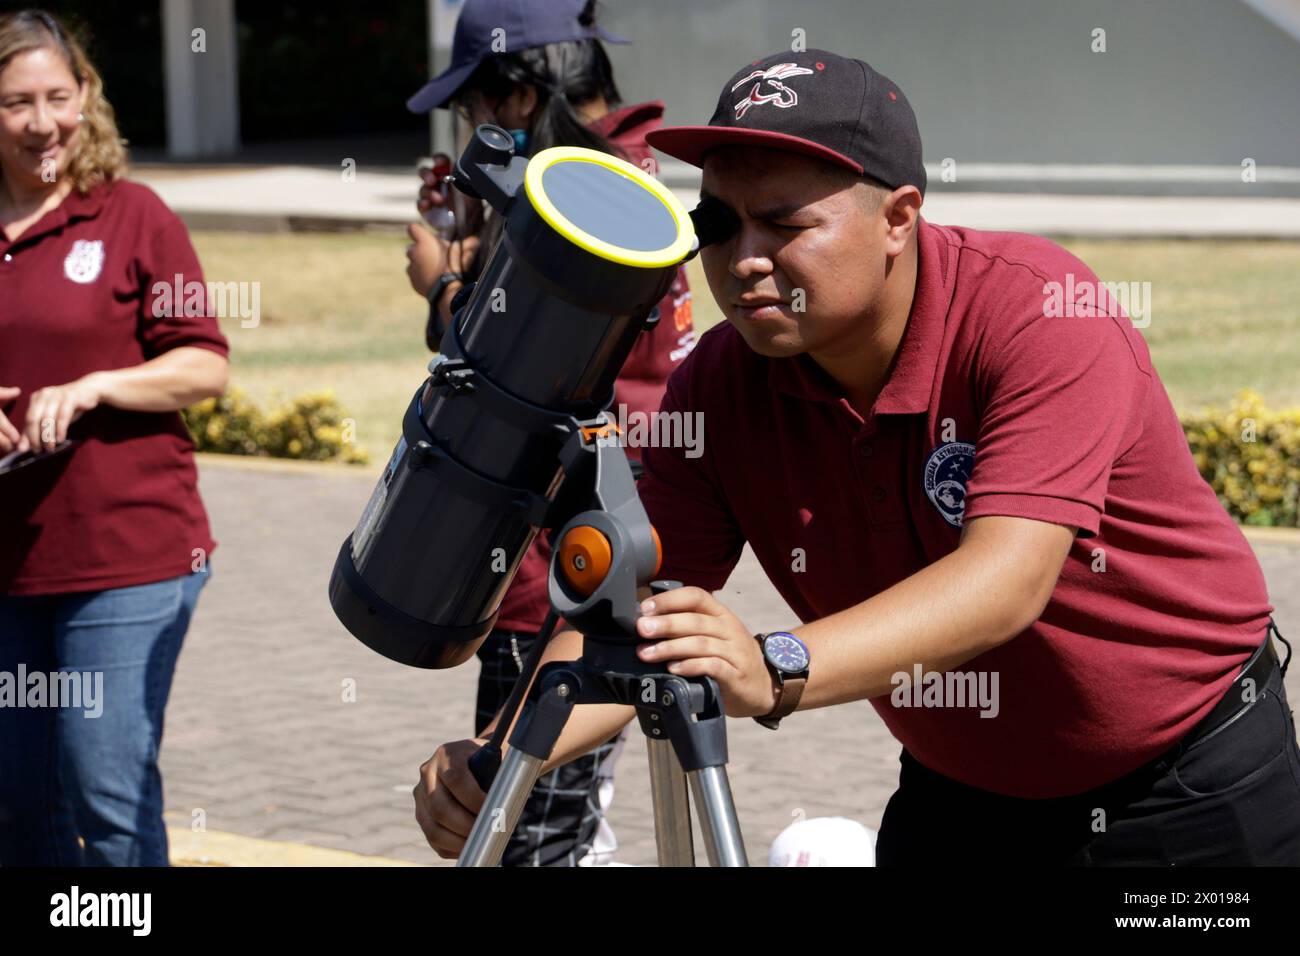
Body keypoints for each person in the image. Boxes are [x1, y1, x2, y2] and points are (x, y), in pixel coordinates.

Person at [415, 48, 1300, 866]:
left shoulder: (1039, 314)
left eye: (785, 223)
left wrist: (778, 665)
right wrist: (499, 756)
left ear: (899, 218)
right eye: (719, 222)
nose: (745, 259)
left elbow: (1004, 583)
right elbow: (627, 617)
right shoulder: (722, 384)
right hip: (961, 796)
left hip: (1190, 789)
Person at [404, 0, 695, 866]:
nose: (471, 125)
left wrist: (440, 290)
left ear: (522, 96)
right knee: (563, 824)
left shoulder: (591, 201)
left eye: (475, 106)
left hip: (560, 566)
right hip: (603, 545)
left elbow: (526, 373)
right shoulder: (624, 177)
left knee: (527, 831)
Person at [0, 9, 228, 866]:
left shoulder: (131, 216)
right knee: (20, 803)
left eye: (58, 96)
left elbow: (204, 365)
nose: (41, 122)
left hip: (124, 556)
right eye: (15, 102)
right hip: (8, 567)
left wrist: (98, 385)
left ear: (86, 97)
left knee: (106, 792)